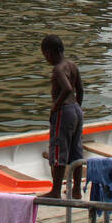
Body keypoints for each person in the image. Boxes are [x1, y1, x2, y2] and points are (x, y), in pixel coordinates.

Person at [41, 35, 84, 198]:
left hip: (64, 112)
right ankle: (77, 190)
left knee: (59, 150)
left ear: (49, 53)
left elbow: (67, 88)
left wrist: (55, 106)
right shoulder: (72, 65)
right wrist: (77, 108)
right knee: (76, 151)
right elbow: (80, 89)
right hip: (76, 110)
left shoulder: (58, 69)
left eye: (45, 55)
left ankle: (56, 191)